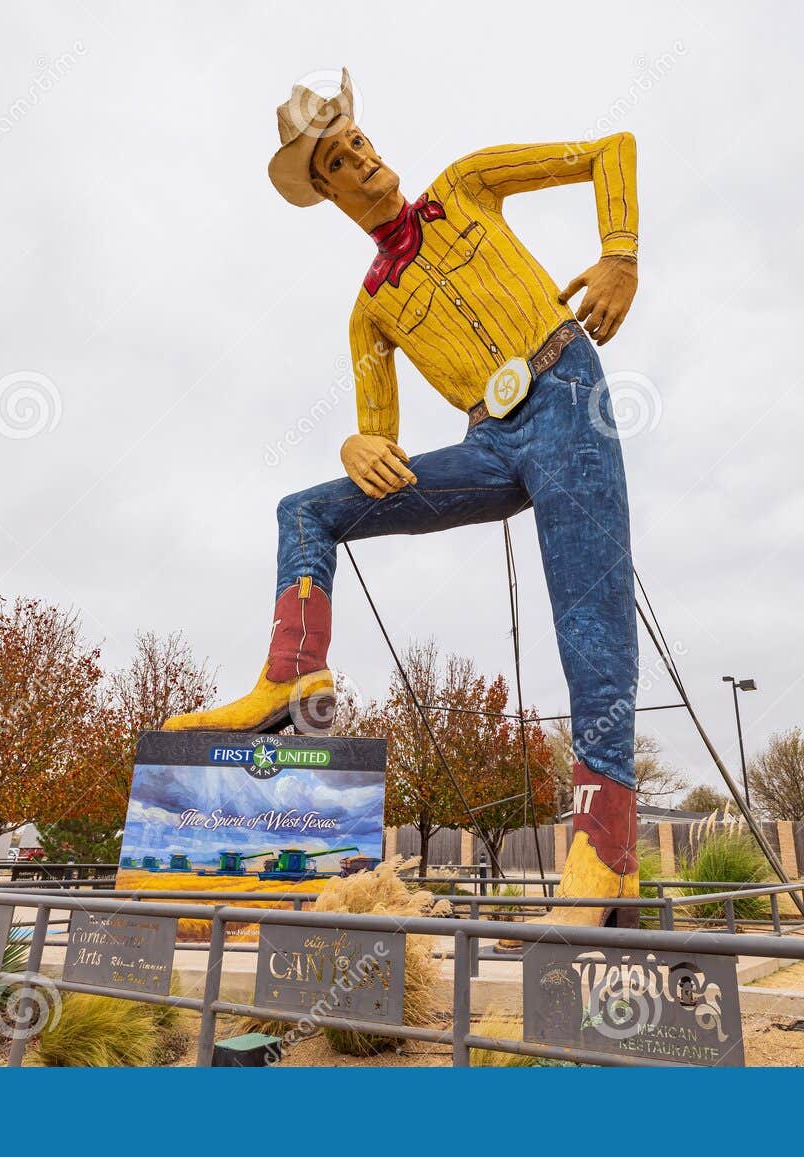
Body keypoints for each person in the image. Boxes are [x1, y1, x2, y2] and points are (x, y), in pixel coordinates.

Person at [165, 70, 644, 927]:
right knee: (305, 510)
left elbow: (609, 149)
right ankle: (291, 672)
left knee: (585, 607)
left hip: (565, 390)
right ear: (325, 191)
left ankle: (604, 847)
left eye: (359, 142)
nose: (361, 159)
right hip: (488, 440)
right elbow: (379, 447)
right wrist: (356, 444)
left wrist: (620, 254)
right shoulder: (370, 310)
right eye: (338, 161)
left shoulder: (467, 184)